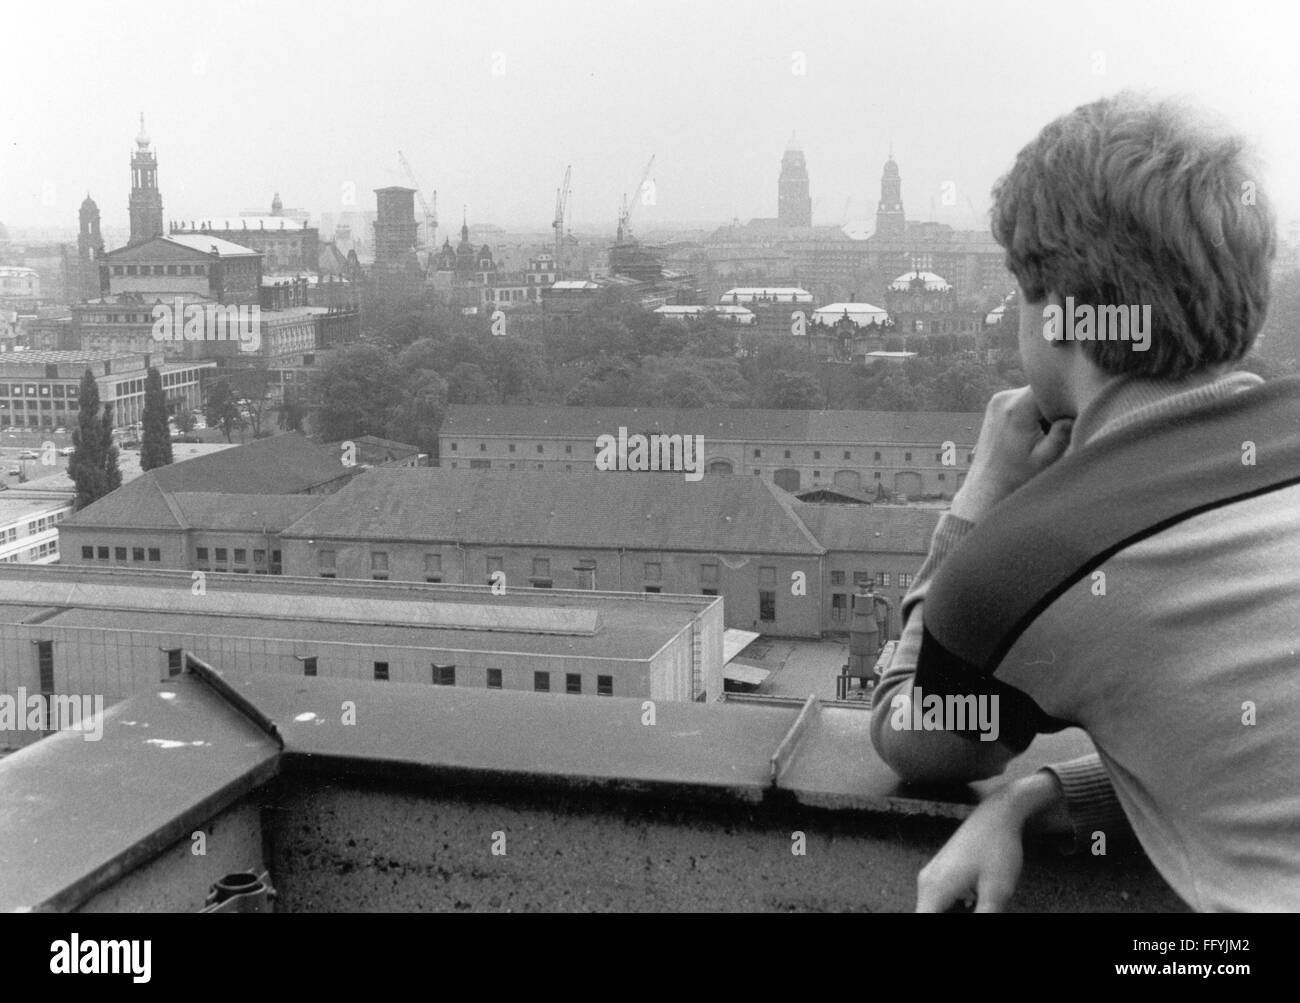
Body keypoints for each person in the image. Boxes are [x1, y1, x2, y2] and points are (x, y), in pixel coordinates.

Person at [869, 91, 1299, 912]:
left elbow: (912, 737)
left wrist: (978, 501)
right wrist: (1047, 795)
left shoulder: (1032, 559)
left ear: (1060, 314)